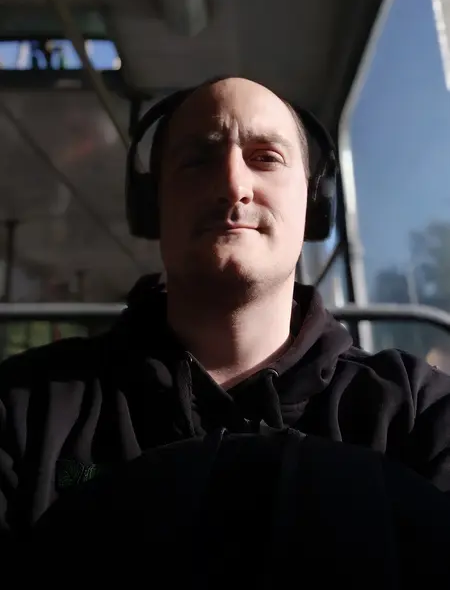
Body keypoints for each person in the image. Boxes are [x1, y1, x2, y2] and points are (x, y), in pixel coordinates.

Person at [1, 76, 450, 543]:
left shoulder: (420, 415)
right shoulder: (24, 411)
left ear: (313, 203)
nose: (234, 184)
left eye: (266, 158)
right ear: (154, 205)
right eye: (198, 159)